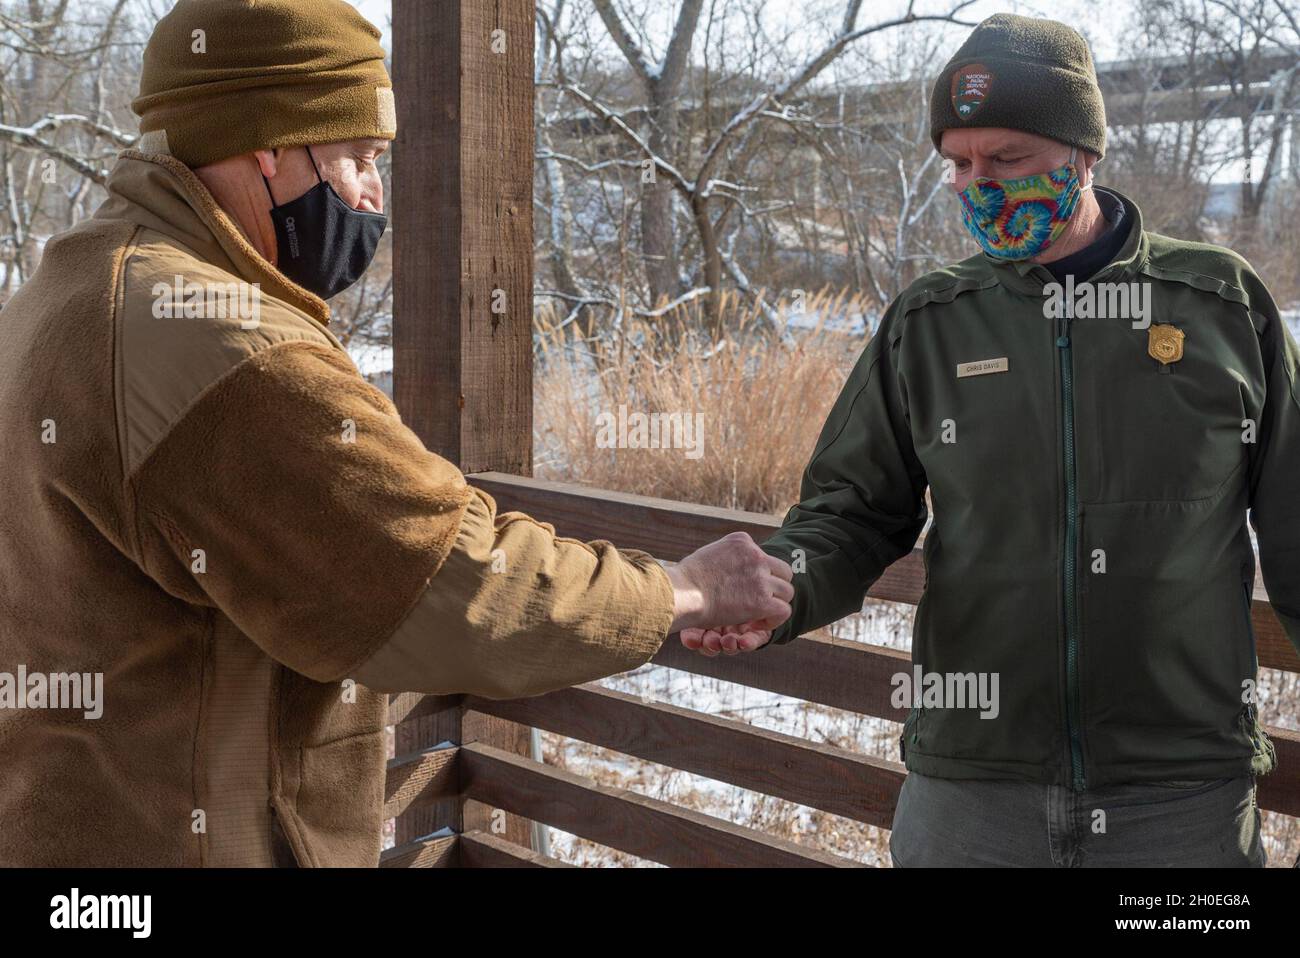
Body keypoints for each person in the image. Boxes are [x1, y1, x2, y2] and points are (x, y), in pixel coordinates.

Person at [0, 0, 792, 867]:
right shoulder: (225, 347)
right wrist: (683, 590)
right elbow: (454, 589)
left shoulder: (64, 292)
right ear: (269, 144)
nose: (375, 193)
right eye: (359, 157)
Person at [690, 13, 1300, 866]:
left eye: (1007, 160)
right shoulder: (930, 322)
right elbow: (853, 513)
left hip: (1179, 794)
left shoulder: (1221, 306)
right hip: (972, 788)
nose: (980, 185)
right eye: (959, 163)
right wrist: (778, 589)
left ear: (1083, 154)